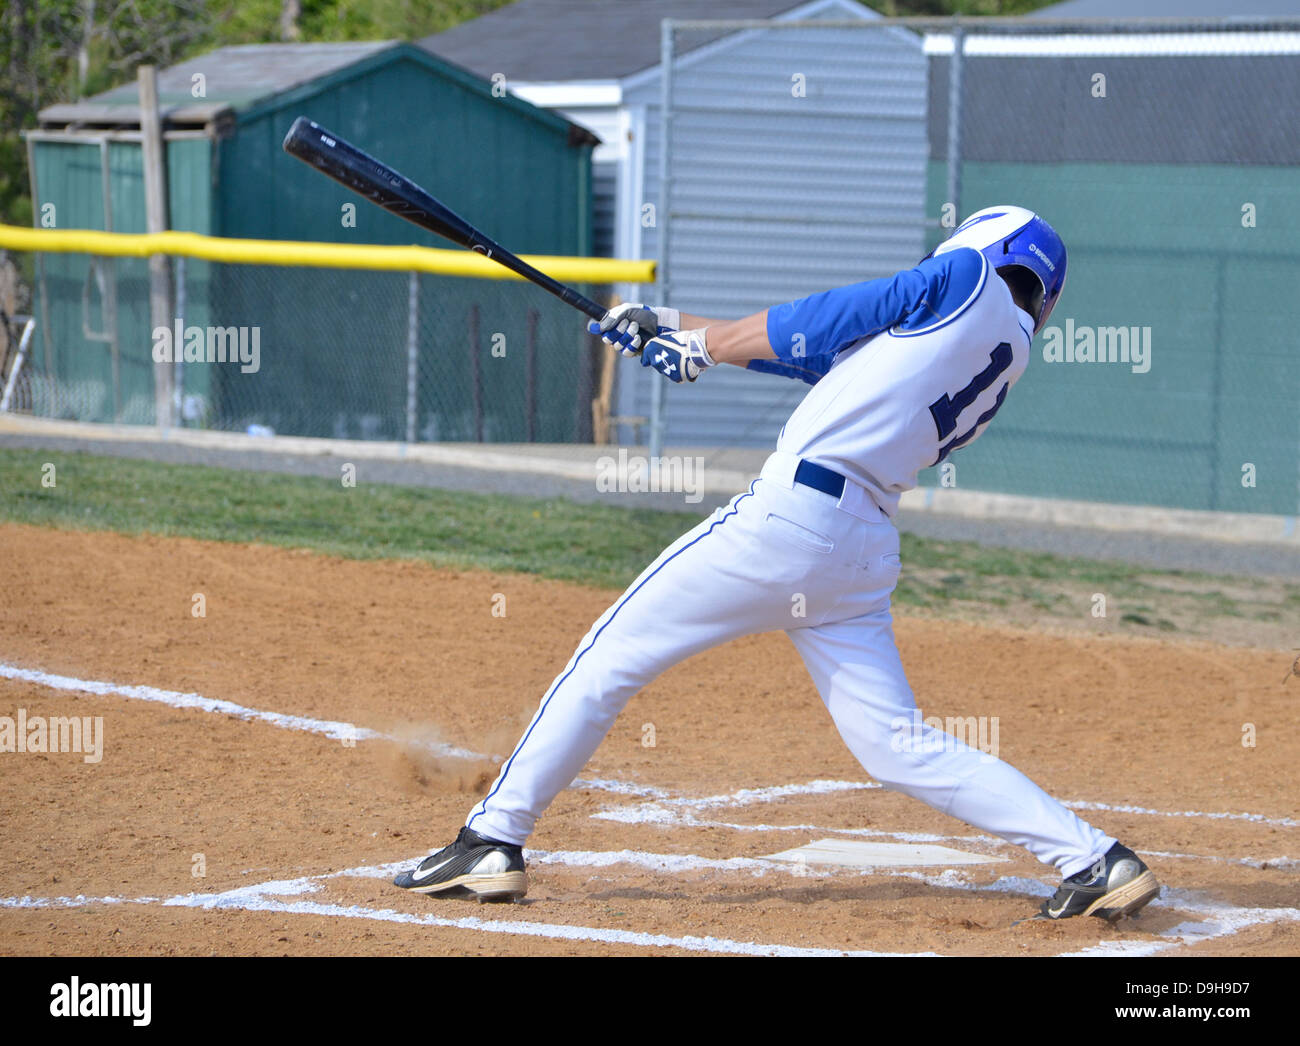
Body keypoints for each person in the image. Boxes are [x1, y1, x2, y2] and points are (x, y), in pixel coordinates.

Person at [393, 206, 1160, 924]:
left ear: (988, 249)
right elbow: (828, 358)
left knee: (610, 654)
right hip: (860, 551)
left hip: (790, 522)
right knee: (897, 745)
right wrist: (674, 328)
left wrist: (706, 347)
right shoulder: (1004, 348)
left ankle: (494, 837)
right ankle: (1094, 860)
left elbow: (832, 316)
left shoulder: (966, 277)